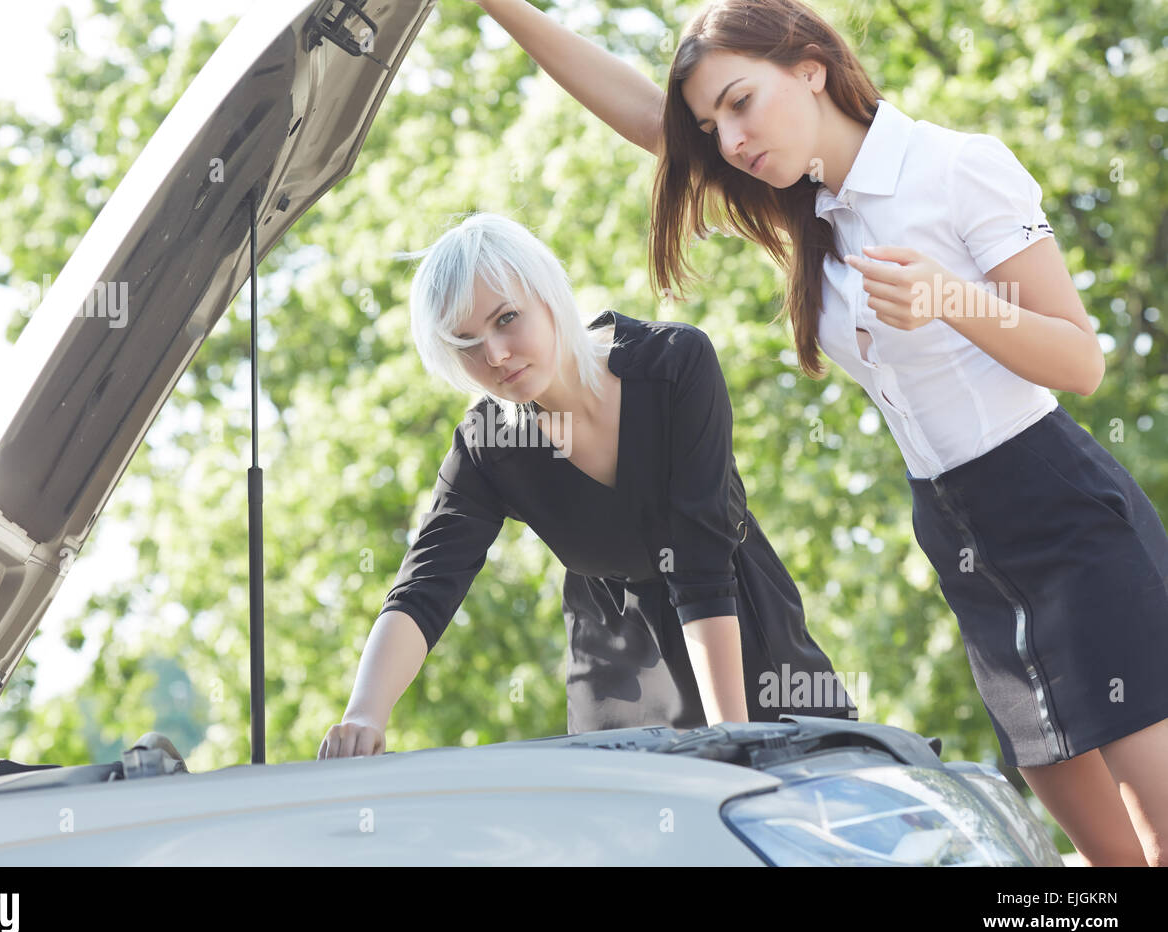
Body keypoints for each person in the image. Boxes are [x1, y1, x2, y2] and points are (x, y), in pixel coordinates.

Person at [465, 0, 1168, 866]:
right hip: (961, 539)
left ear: (809, 67)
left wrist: (952, 298)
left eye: (739, 103)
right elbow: (648, 121)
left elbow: (1080, 360)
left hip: (1064, 519)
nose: (727, 140)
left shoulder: (955, 168)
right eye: (710, 124)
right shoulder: (800, 213)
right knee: (1104, 864)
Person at [318, 212, 856, 760]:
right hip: (615, 670)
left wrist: (733, 739)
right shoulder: (489, 445)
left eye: (506, 318)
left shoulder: (673, 364)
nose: (495, 356)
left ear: (547, 295)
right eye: (466, 341)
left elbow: (699, 566)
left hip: (736, 637)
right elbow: (426, 585)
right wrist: (363, 715)